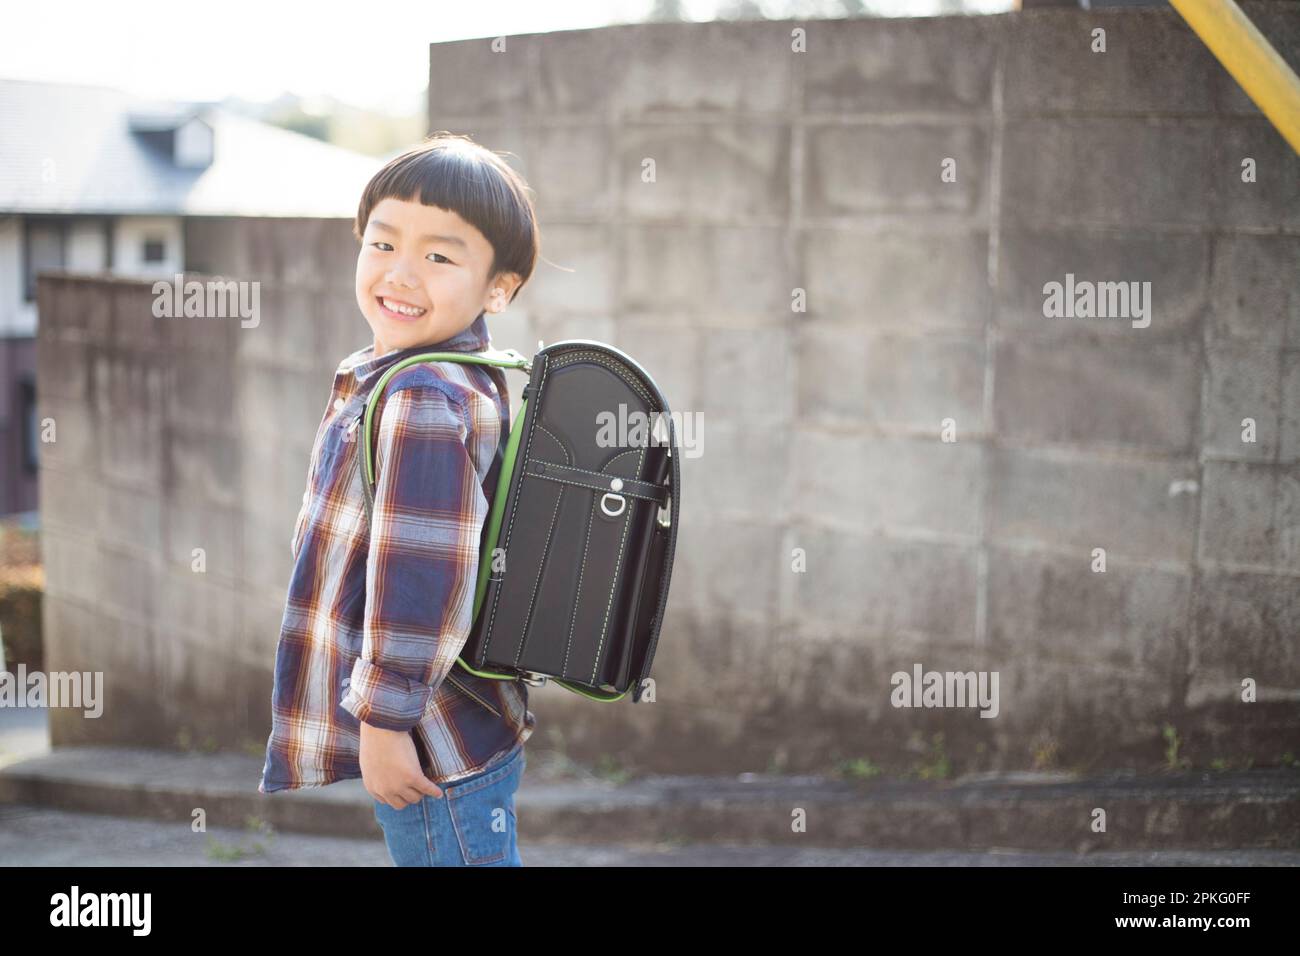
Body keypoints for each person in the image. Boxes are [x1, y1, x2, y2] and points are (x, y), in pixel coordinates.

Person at [258, 133, 540, 867]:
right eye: (382, 244)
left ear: (498, 289)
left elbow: (420, 580)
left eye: (439, 256)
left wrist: (382, 725)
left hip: (428, 740)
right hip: (449, 725)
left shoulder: (420, 394)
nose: (401, 274)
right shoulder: (434, 373)